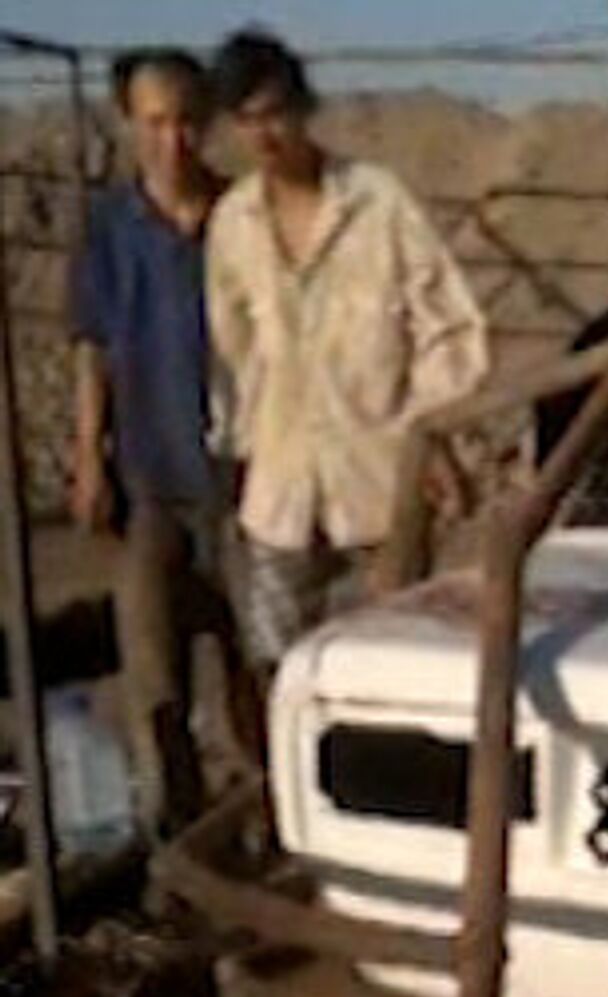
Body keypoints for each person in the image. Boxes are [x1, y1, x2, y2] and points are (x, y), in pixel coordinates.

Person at [204, 29, 487, 676]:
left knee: (388, 669)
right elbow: (231, 354)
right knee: (281, 676)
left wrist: (432, 435)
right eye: (246, 121)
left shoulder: (377, 203)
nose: (265, 135)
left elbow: (449, 327)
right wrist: (239, 453)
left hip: (378, 488)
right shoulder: (234, 224)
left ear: (302, 109)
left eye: (275, 113)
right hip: (279, 494)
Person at [69, 48, 256, 838]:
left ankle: (267, 832)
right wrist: (87, 457)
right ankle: (181, 842)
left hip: (245, 481)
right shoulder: (112, 227)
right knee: (154, 675)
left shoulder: (241, 216)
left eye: (185, 122)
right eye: (154, 123)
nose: (171, 141)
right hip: (151, 480)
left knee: (255, 666)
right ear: (130, 125)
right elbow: (94, 344)